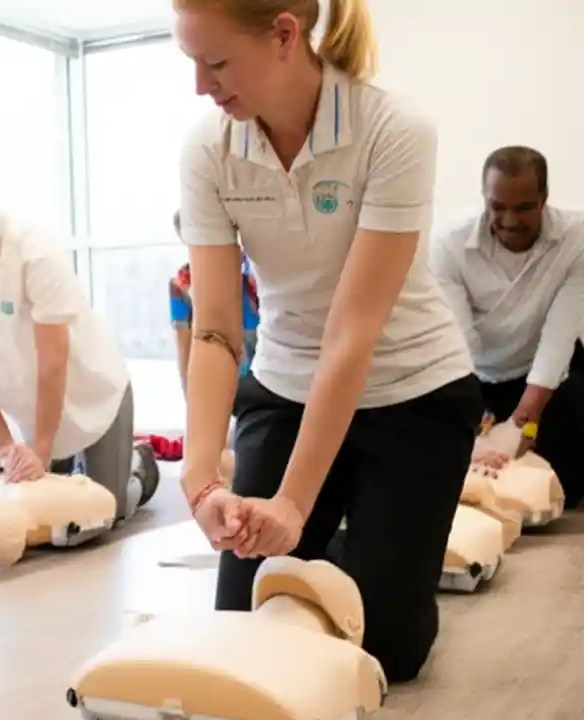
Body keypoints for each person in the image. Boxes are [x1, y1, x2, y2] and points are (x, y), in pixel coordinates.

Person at [173, 0, 483, 683]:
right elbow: (218, 328)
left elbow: (352, 332)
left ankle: (378, 549)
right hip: (285, 387)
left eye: (216, 62)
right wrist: (200, 481)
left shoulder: (393, 128)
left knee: (387, 653)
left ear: (285, 34)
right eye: (190, 61)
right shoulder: (208, 148)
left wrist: (292, 504)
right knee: (243, 622)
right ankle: (354, 544)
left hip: (413, 394)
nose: (201, 84)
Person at [0, 178, 138, 523]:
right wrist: (7, 449)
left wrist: (40, 449)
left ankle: (141, 469)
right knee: (49, 518)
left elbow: (53, 361)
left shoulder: (34, 253)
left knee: (105, 513)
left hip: (91, 391)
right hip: (32, 406)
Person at [431, 146, 584, 507]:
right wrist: (479, 423)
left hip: (543, 376)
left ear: (544, 199)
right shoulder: (449, 241)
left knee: (567, 480)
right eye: (498, 208)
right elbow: (457, 341)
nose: (511, 220)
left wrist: (521, 422)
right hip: (473, 376)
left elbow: (560, 335)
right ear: (484, 199)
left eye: (524, 208)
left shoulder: (576, 239)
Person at [169, 210, 261, 396]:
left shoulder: (253, 281)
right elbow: (184, 345)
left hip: (262, 387)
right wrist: (192, 399)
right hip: (220, 389)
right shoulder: (181, 286)